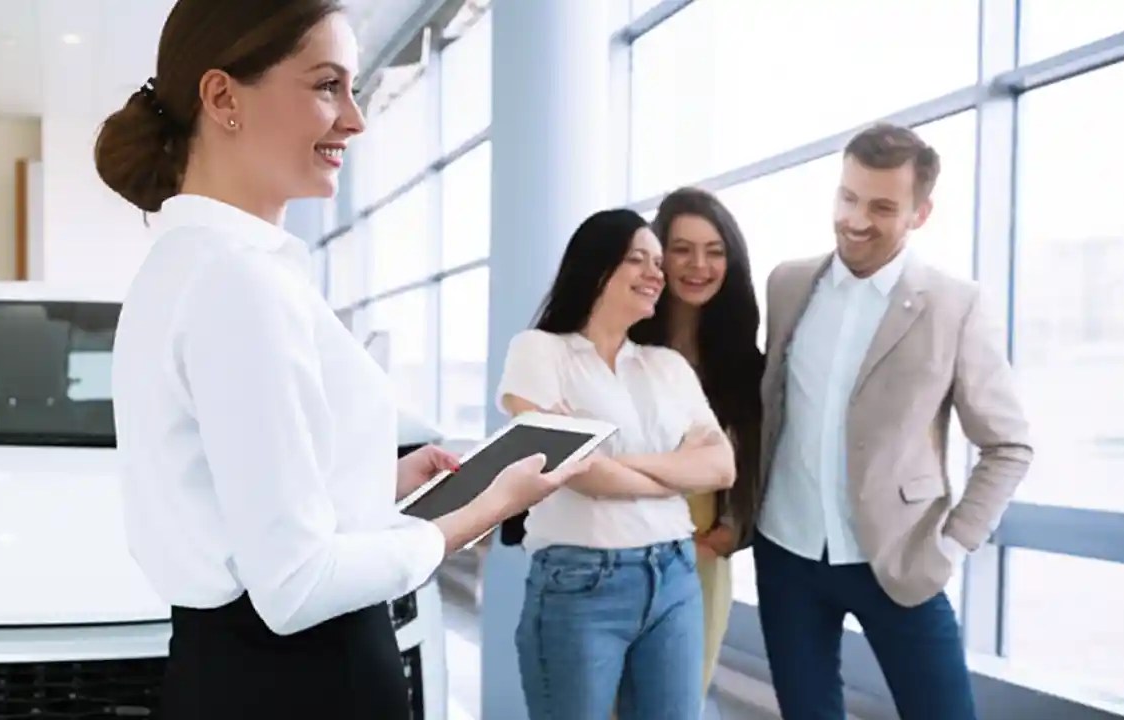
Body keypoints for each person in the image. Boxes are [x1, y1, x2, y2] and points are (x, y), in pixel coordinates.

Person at [94, 2, 589, 718]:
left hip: (234, 675)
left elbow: (237, 506)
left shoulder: (184, 267)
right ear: (223, 97)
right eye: (328, 85)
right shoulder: (240, 282)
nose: (356, 119)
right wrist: (481, 511)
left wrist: (376, 484)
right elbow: (296, 584)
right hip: (307, 681)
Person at [754, 122, 1033, 720]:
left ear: (920, 212)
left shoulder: (955, 305)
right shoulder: (787, 284)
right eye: (847, 197)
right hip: (786, 551)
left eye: (881, 207)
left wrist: (953, 545)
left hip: (901, 557)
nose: (856, 219)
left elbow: (1008, 445)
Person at [496, 208, 737, 720]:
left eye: (657, 262)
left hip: (674, 576)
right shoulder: (539, 352)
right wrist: (672, 472)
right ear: (597, 268)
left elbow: (722, 468)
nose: (657, 273)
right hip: (579, 583)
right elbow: (578, 474)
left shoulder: (666, 366)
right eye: (637, 260)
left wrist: (612, 462)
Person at [629, 186, 764, 699]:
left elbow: (753, 459)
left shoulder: (742, 366)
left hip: (697, 559)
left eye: (714, 251)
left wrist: (727, 535)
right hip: (616, 550)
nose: (698, 265)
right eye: (682, 249)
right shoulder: (625, 342)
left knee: (676, 702)